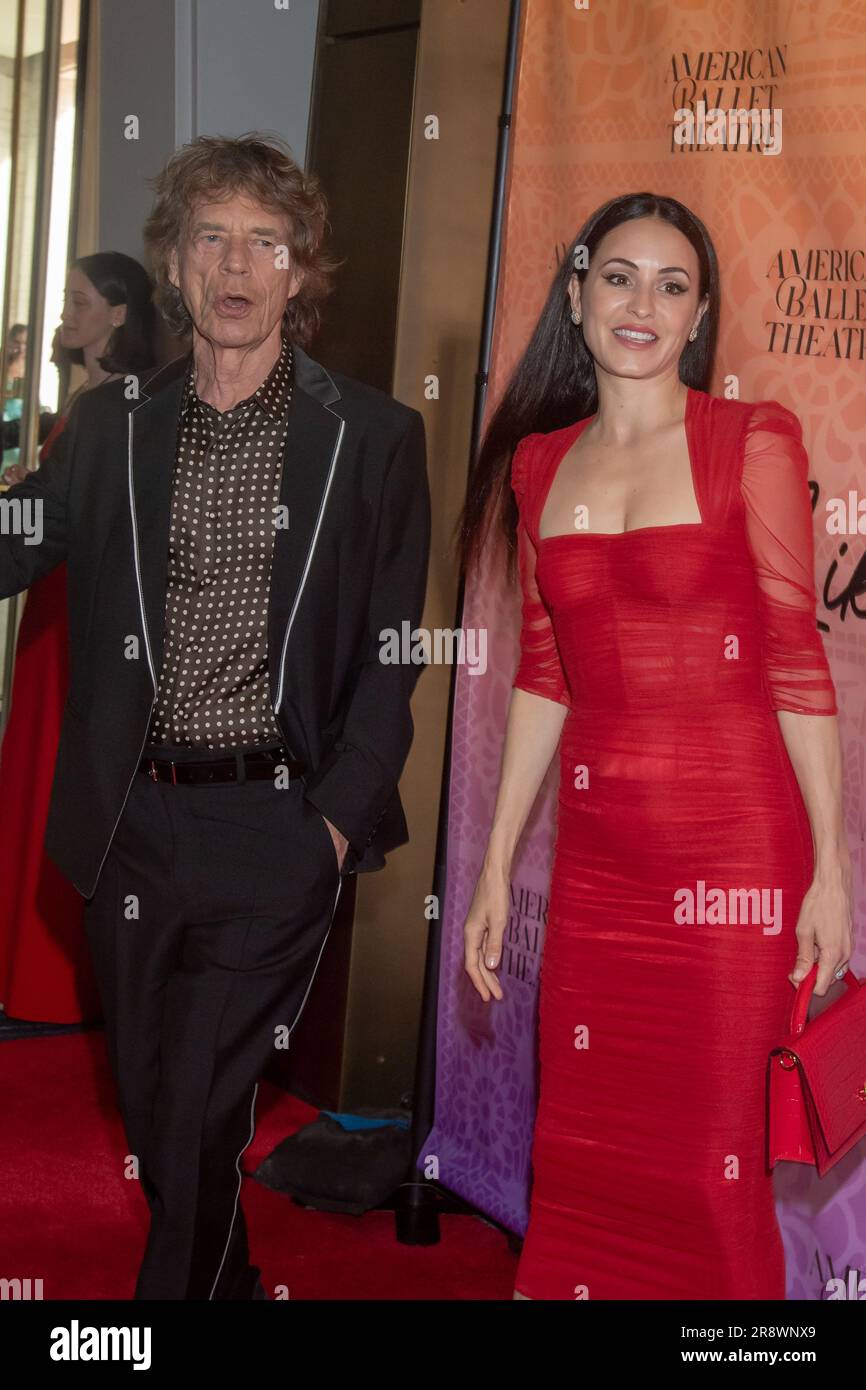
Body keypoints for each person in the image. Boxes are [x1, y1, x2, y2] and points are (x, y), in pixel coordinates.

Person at [0, 132, 430, 1300]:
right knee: (157, 1104)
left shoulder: (375, 437)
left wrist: (335, 822)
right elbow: (14, 543)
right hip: (130, 820)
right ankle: (227, 1278)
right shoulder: (111, 425)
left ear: (300, 271)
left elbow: (395, 654)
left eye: (265, 241)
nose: (236, 266)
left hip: (278, 825)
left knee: (192, 1096)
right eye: (211, 239)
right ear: (177, 268)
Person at [458, 191, 853, 1300]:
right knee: (585, 1147)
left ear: (697, 316)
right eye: (618, 276)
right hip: (598, 863)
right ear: (575, 293)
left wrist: (829, 868)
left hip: (733, 855)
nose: (642, 303)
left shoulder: (749, 440)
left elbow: (790, 656)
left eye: (671, 285)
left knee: (707, 1167)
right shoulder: (537, 466)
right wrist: (493, 865)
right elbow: (545, 669)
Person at [0, 255, 158, 1024]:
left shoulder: (124, 404)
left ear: (122, 314)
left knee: (63, 785)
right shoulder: (87, 399)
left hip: (83, 615)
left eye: (78, 300)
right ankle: (24, 976)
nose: (65, 314)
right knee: (31, 778)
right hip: (46, 602)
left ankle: (53, 987)